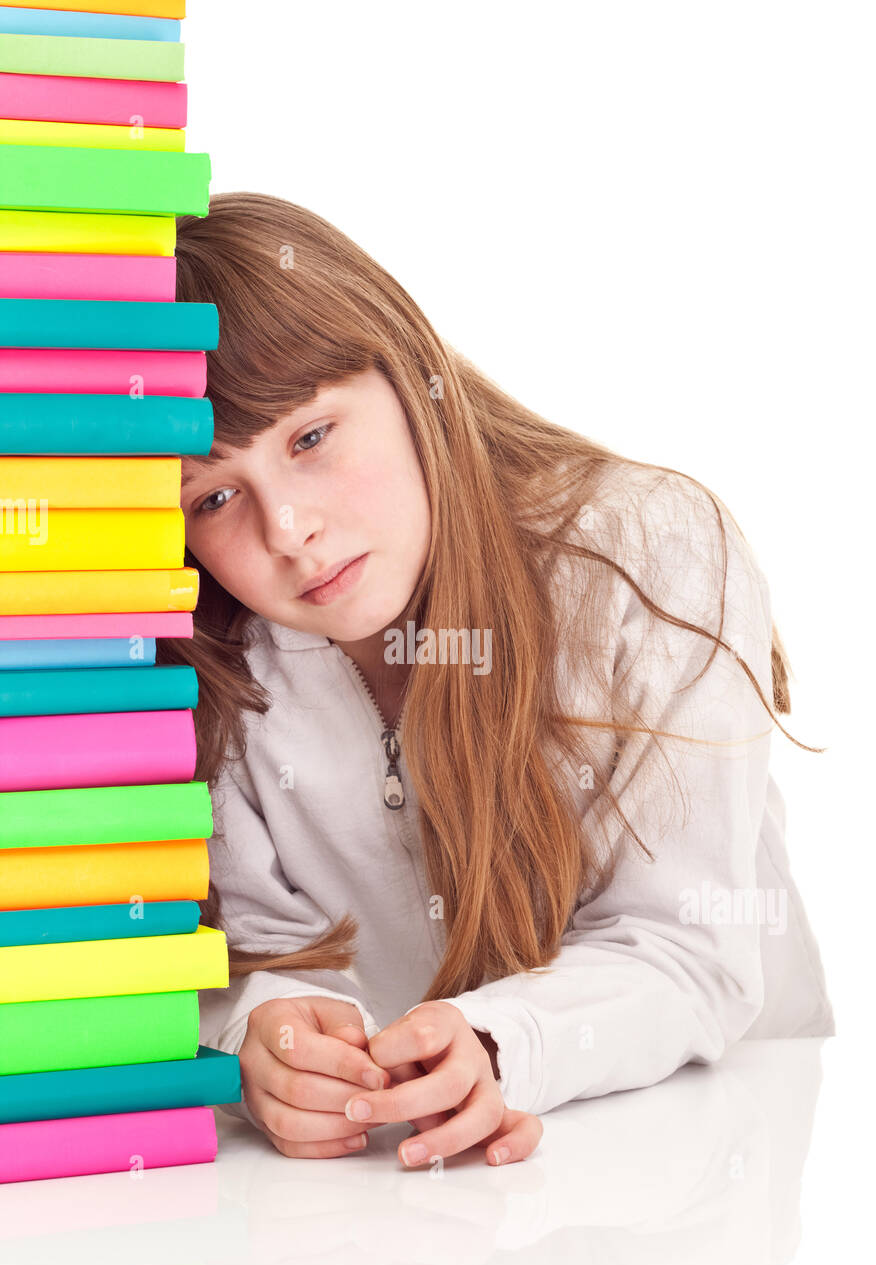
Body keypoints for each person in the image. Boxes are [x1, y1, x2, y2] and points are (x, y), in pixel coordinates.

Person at [165, 191, 834, 1168]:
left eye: (312, 438)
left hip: (704, 1161)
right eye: (217, 496)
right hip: (421, 1204)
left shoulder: (649, 556)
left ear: (407, 376)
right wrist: (267, 1032)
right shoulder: (219, 664)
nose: (288, 531)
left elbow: (691, 950)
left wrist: (500, 1041)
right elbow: (258, 950)